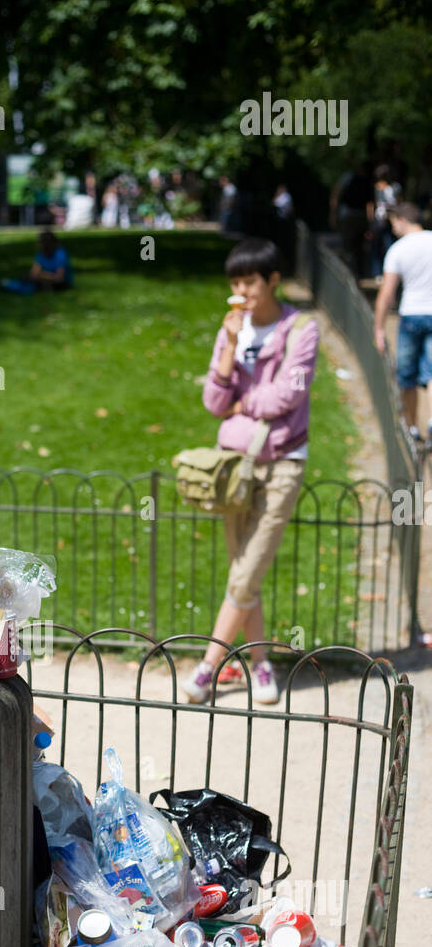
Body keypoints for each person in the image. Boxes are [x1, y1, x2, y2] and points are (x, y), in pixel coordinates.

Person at [181, 237, 320, 707]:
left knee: (244, 575)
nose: (241, 290)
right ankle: (260, 666)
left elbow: (288, 397)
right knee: (245, 574)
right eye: (235, 282)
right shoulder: (232, 329)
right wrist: (227, 355)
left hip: (281, 463)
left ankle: (207, 666)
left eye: (250, 281)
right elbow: (214, 402)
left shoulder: (301, 329)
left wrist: (242, 404)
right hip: (235, 468)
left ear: (272, 280)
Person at [374, 202, 432, 451]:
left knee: (407, 376)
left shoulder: (398, 250)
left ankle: (412, 429)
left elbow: (387, 293)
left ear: (401, 220)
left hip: (410, 315)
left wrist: (379, 327)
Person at [330, 162, 374, 277]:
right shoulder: (367, 181)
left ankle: (348, 272)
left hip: (348, 216)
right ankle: (356, 273)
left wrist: (333, 214)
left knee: (348, 246)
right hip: (361, 217)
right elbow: (370, 204)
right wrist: (370, 222)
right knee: (358, 246)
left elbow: (336, 194)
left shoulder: (347, 178)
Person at [370, 165, 399, 280]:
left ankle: (392, 273)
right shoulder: (376, 188)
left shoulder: (395, 187)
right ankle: (377, 272)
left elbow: (399, 202)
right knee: (376, 246)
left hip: (391, 219)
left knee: (390, 246)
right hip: (379, 221)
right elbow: (372, 204)